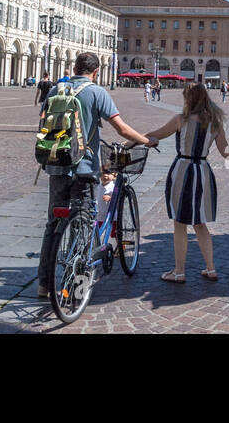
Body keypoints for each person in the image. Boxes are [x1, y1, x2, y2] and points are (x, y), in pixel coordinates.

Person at [37, 52, 153, 300]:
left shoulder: (55, 91)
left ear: (74, 67)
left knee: (52, 224)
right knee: (84, 224)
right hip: (84, 168)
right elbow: (120, 128)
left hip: (56, 165)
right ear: (96, 72)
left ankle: (43, 286)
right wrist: (146, 140)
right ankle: (78, 284)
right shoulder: (96, 92)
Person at [143, 82, 229, 283]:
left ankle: (179, 271)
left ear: (190, 99)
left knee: (179, 222)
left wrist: (133, 140)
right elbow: (227, 153)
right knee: (199, 222)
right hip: (203, 172)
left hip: (182, 170)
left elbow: (156, 134)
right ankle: (210, 268)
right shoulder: (215, 123)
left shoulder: (180, 120)